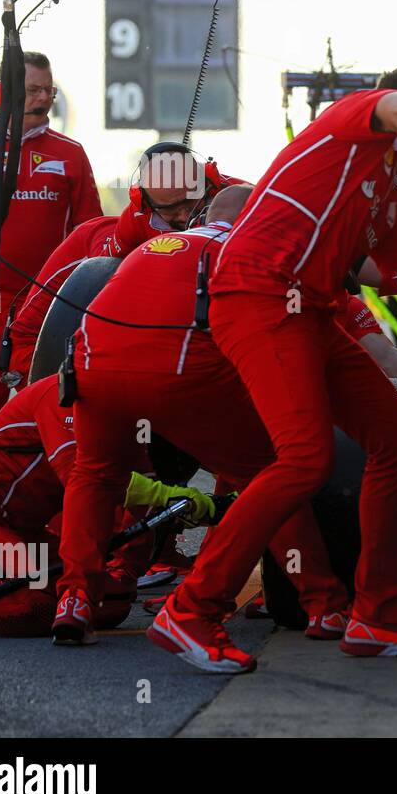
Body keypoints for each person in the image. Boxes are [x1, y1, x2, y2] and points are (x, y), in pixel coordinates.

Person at [145, 68, 397, 672]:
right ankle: (191, 608)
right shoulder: (356, 120)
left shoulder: (384, 203)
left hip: (309, 310)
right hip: (258, 297)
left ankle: (378, 615)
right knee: (304, 459)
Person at [52, 186, 355, 650]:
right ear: (255, 219)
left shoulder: (152, 247)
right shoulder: (244, 254)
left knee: (93, 477)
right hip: (175, 370)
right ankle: (324, 604)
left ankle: (74, 600)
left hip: (91, 368)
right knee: (269, 477)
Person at [0, 374, 211, 637]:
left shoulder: (124, 409)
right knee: (26, 607)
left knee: (112, 602)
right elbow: (84, 479)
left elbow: (142, 500)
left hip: (23, 530)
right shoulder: (61, 395)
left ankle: (8, 581)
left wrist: (126, 569)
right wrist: (166, 496)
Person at [0, 51, 102, 432]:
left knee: (58, 415)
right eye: (33, 90)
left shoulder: (70, 153)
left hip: (50, 308)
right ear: (3, 90)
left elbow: (95, 240)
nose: (43, 99)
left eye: (48, 90)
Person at [5, 149, 240, 391]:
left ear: (209, 182)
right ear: (144, 203)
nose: (185, 214)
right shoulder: (133, 220)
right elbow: (97, 278)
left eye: (191, 203)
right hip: (123, 269)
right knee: (25, 333)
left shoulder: (240, 200)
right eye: (172, 209)